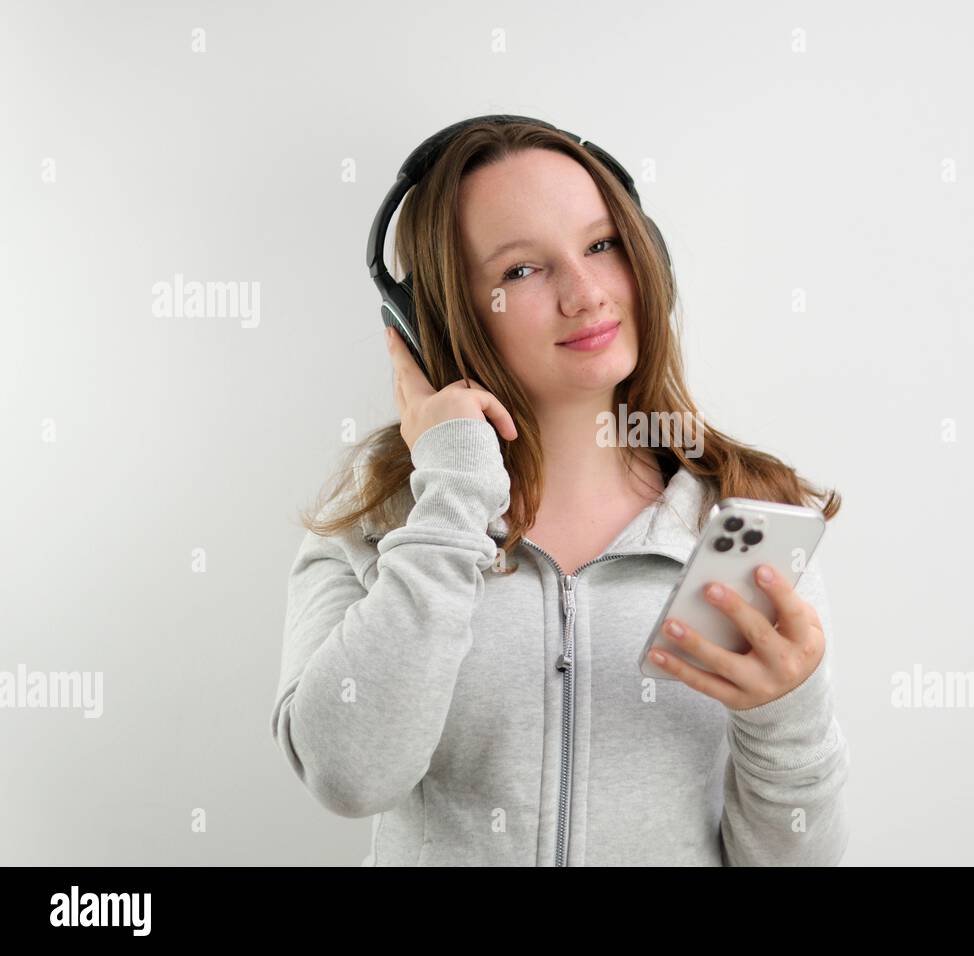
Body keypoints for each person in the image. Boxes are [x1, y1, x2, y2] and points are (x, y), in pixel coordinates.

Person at [271, 118, 850, 866]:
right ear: (439, 318)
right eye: (519, 271)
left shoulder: (746, 520)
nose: (585, 295)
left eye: (601, 245)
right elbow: (348, 776)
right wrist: (453, 492)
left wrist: (785, 713)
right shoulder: (379, 516)